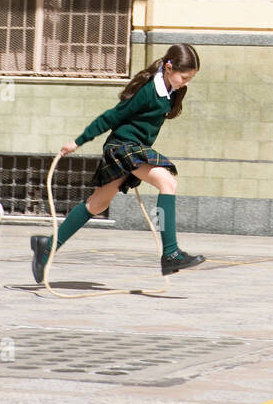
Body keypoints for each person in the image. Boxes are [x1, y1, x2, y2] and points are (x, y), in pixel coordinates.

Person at [30, 43, 205, 282]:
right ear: (169, 67)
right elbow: (112, 116)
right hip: (122, 148)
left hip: (133, 148)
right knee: (168, 183)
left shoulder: (170, 89)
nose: (186, 83)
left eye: (190, 79)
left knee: (97, 204)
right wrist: (77, 142)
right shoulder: (147, 91)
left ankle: (47, 246)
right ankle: (171, 253)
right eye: (184, 77)